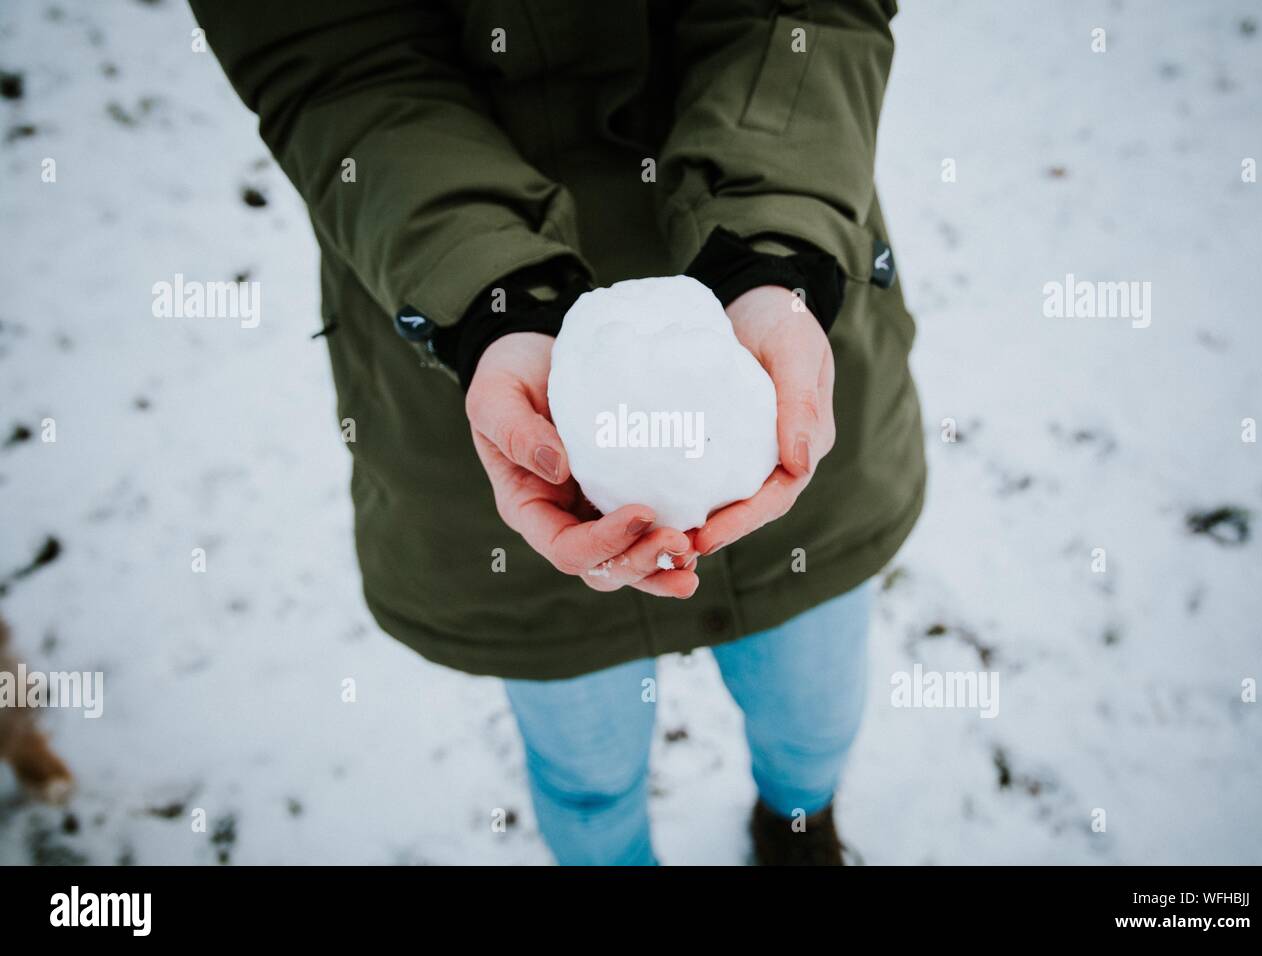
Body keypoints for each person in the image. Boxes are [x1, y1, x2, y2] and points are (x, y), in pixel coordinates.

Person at [190, 0, 924, 865]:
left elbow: (805, 13)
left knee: (813, 716)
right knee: (587, 764)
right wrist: (490, 304)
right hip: (474, 374)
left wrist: (775, 260)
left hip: (784, 324)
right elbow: (333, 61)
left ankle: (797, 826)